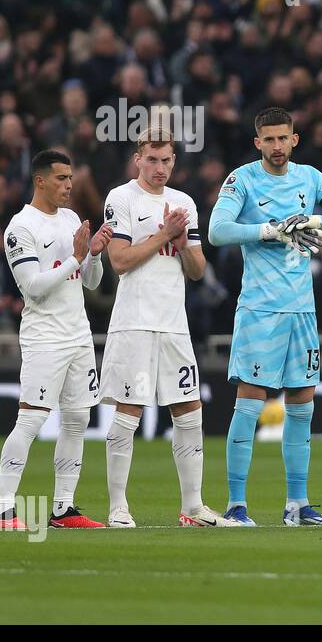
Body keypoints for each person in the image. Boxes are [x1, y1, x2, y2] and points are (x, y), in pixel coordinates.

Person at [207, 106, 322, 526]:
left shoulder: (310, 178)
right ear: (257, 142)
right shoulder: (241, 179)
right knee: (250, 404)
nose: (277, 147)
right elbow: (217, 230)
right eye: (269, 139)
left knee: (302, 403)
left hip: (302, 310)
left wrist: (311, 219)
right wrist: (269, 230)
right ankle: (236, 505)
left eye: (284, 138)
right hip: (260, 308)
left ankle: (297, 504)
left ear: (295, 139)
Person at [99, 128, 231, 527]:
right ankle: (118, 507)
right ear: (138, 159)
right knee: (129, 410)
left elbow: (197, 269)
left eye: (167, 161)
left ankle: (193, 507)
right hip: (134, 320)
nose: (160, 168)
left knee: (190, 408)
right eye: (152, 160)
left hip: (174, 323)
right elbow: (119, 261)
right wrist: (164, 234)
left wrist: (184, 241)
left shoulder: (183, 201)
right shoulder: (121, 198)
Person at [0, 150, 112, 530]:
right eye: (61, 178)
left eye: (70, 177)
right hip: (45, 337)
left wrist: (93, 255)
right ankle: (3, 510)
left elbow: (91, 282)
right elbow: (33, 287)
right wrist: (76, 259)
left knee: (77, 419)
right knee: (31, 419)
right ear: (39, 181)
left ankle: (64, 509)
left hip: (78, 334)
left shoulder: (73, 219)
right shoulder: (20, 228)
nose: (69, 185)